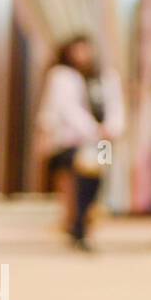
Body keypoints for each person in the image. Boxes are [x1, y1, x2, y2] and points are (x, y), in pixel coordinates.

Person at [37, 35, 125, 251]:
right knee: (74, 183)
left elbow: (115, 106)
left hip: (103, 142)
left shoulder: (105, 77)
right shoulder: (61, 76)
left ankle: (83, 223)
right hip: (72, 140)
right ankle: (76, 225)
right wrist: (93, 130)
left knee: (96, 182)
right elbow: (65, 109)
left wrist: (110, 129)